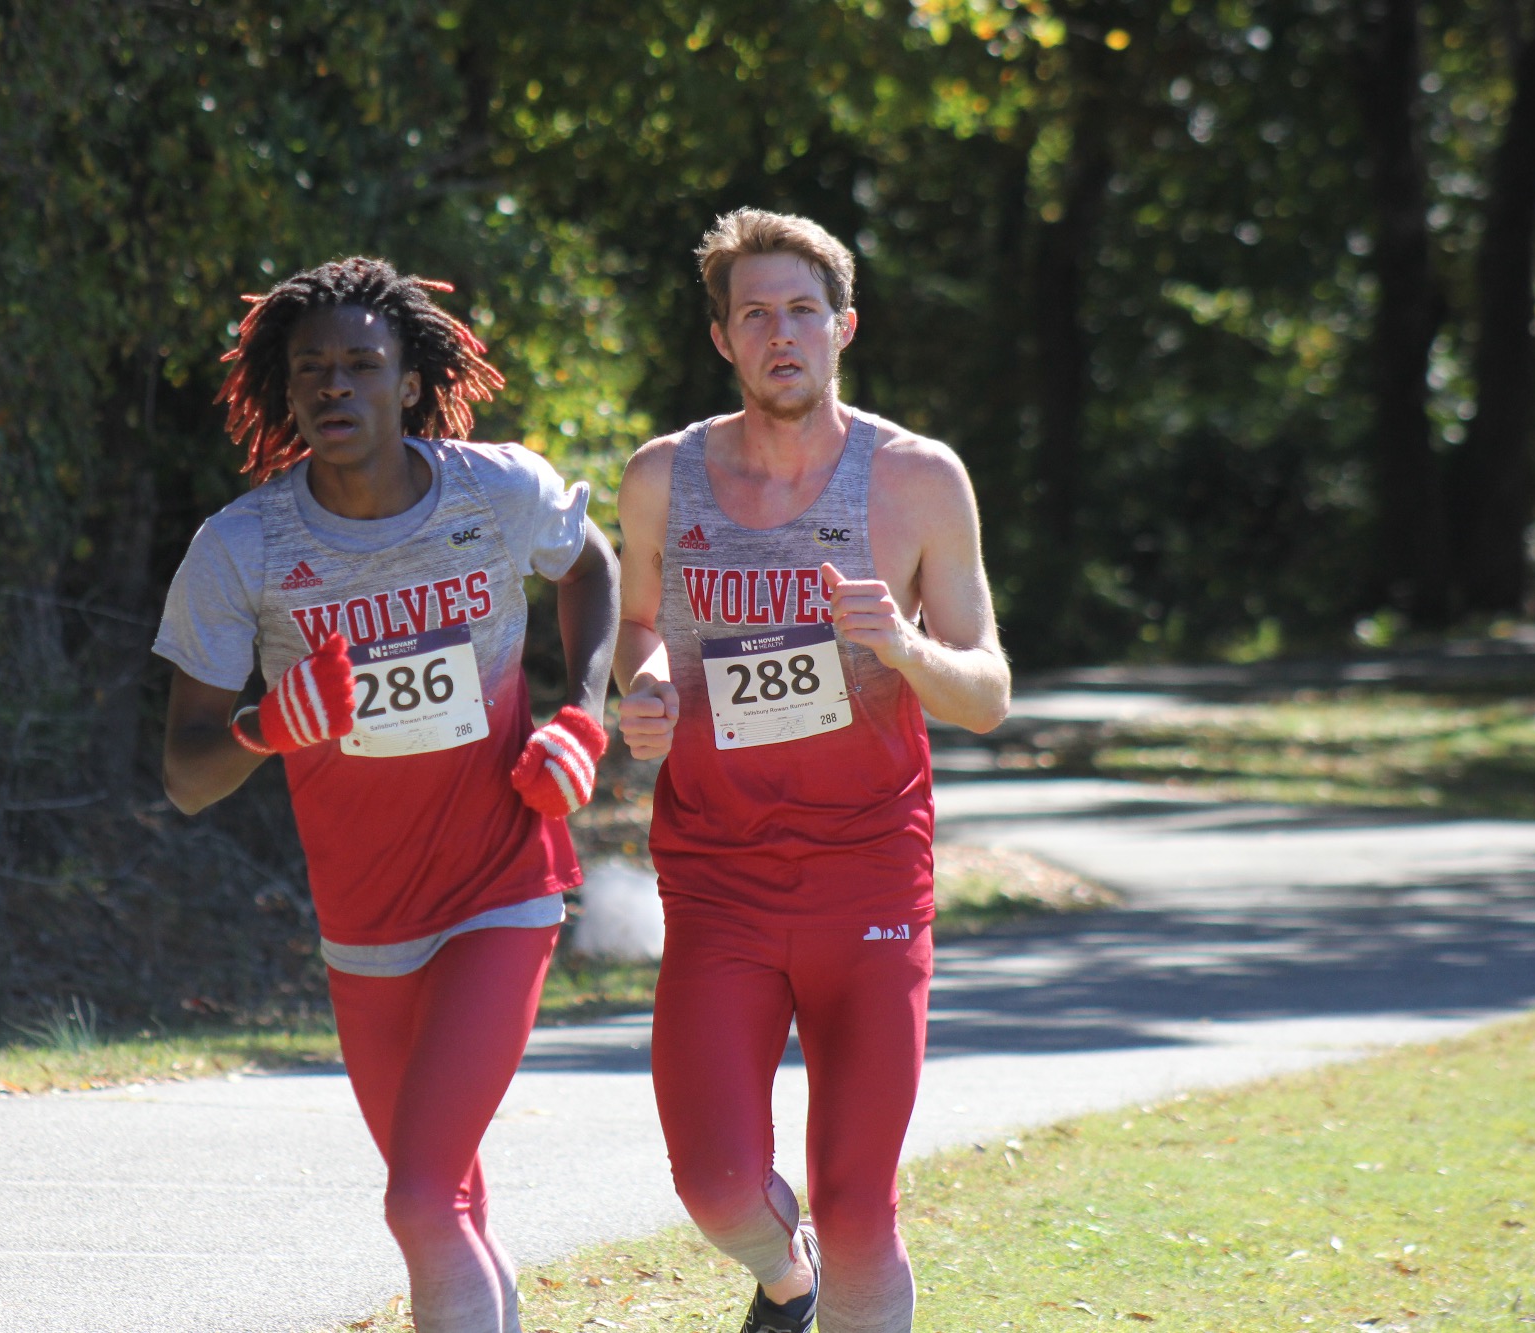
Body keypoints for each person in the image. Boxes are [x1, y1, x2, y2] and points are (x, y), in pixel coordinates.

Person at [154, 257, 618, 1332]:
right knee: (444, 1196)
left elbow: (589, 566)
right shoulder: (242, 551)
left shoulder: (495, 492)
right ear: (285, 389)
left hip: (501, 888)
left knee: (416, 1197)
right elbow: (184, 774)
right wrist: (268, 727)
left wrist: (579, 716)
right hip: (362, 924)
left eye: (361, 364)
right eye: (311, 369)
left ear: (408, 383)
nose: (334, 388)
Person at [614, 209, 1011, 1333]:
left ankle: (829, 1270)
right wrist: (640, 689)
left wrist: (901, 647)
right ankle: (782, 1280)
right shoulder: (662, 477)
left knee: (856, 1207)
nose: (779, 333)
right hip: (717, 878)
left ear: (842, 327)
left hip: (870, 877)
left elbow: (984, 693)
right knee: (714, 1188)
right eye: (754, 314)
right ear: (721, 340)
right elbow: (637, 624)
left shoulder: (917, 481)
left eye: (800, 311)